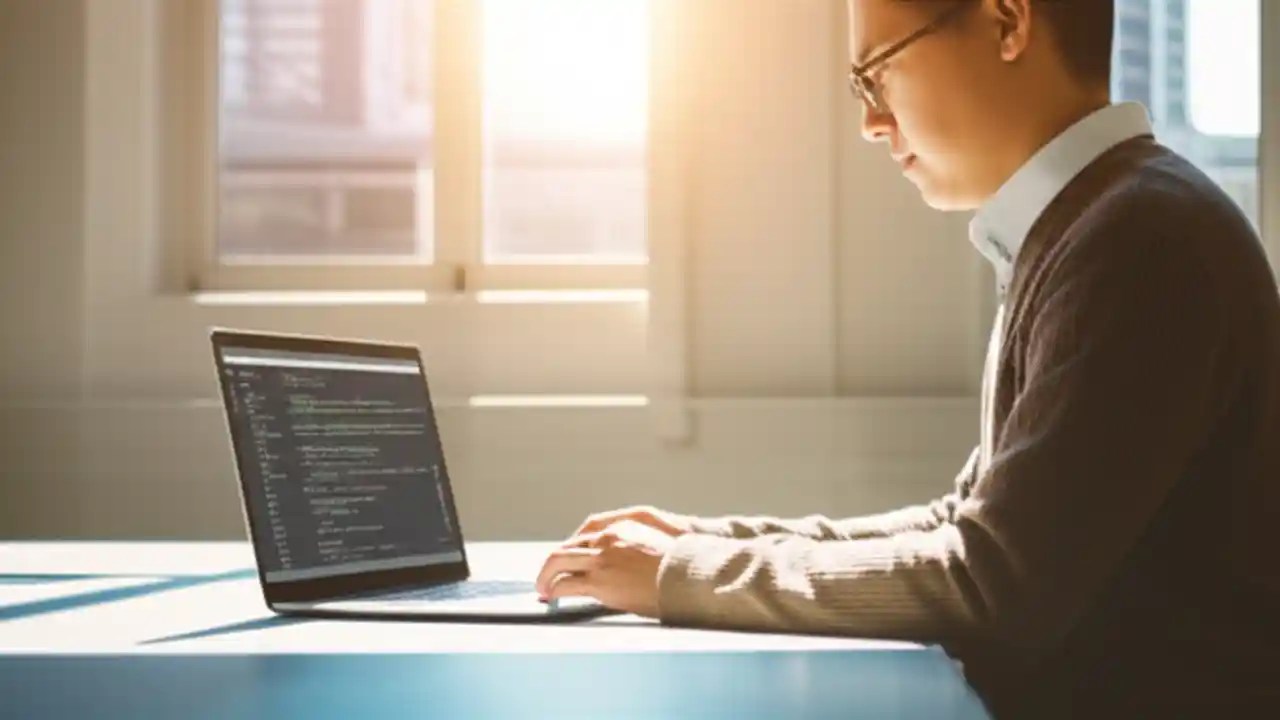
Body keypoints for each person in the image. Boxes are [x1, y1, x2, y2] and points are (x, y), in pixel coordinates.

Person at [536, 0, 1280, 715]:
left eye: (877, 71)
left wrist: (683, 575)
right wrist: (706, 542)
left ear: (1007, 21)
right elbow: (966, 525)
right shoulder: (1097, 223)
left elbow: (991, 581)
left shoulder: (1138, 242)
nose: (869, 122)